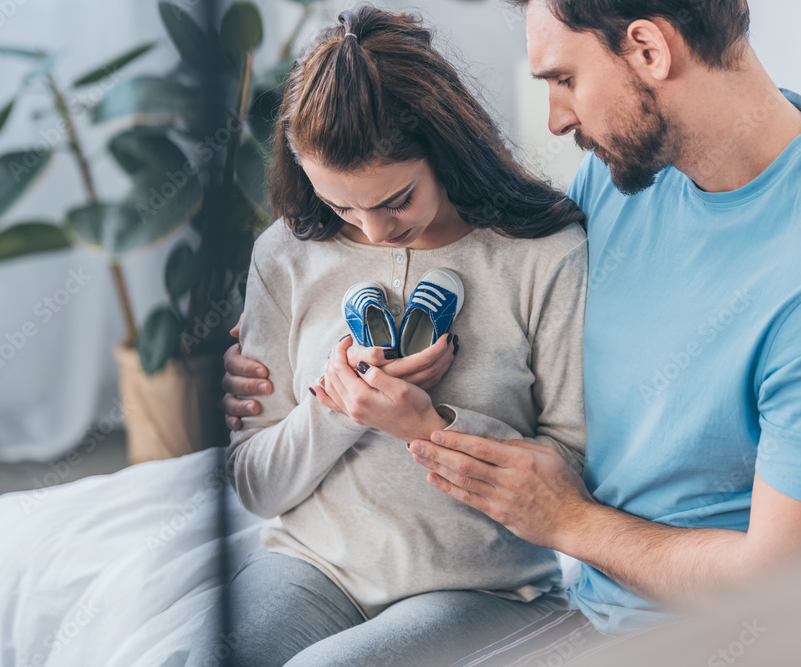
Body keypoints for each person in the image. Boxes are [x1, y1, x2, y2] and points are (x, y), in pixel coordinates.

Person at [222, 0, 801, 664]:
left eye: (563, 78)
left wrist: (570, 521)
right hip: (584, 606)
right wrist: (287, 357)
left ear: (649, 49)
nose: (556, 119)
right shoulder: (629, 180)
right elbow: (507, 297)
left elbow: (793, 587)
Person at [186, 5, 591, 667]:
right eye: (342, 205)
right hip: (316, 565)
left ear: (445, 147)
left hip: (484, 587)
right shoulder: (284, 255)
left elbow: (574, 472)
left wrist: (430, 427)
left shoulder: (542, 255)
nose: (372, 231)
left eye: (395, 198)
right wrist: (335, 411)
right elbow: (256, 484)